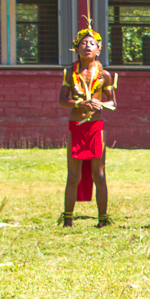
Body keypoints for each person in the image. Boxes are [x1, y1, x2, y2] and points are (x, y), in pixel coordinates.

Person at [58, 20, 115, 228]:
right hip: (76, 126)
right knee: (73, 175)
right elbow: (62, 101)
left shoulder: (105, 75)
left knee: (99, 173)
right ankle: (68, 219)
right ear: (76, 48)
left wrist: (100, 104)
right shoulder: (69, 73)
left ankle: (102, 219)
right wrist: (80, 102)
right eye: (83, 43)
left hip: (95, 127)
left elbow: (113, 103)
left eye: (92, 43)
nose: (87, 46)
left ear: (98, 49)